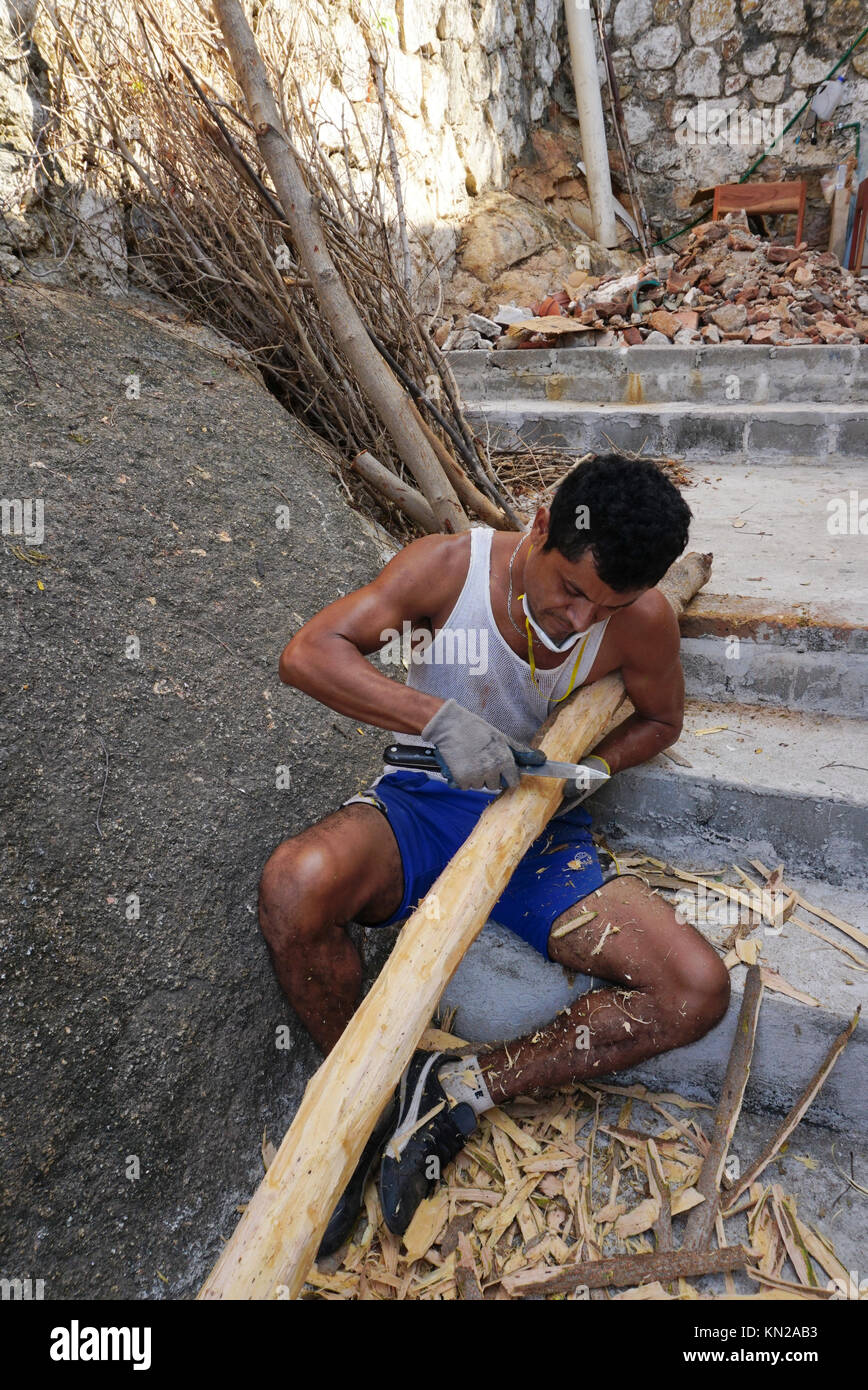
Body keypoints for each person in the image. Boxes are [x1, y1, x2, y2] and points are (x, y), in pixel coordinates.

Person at [260, 454, 730, 1253]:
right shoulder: (449, 568)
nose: (582, 620)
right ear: (542, 525)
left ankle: (458, 1087)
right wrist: (436, 718)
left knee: (695, 989)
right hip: (422, 806)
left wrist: (592, 770)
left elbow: (661, 719)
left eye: (606, 607)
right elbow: (309, 654)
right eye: (573, 591)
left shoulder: (640, 618)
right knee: (296, 887)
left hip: (536, 828)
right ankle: (368, 1099)